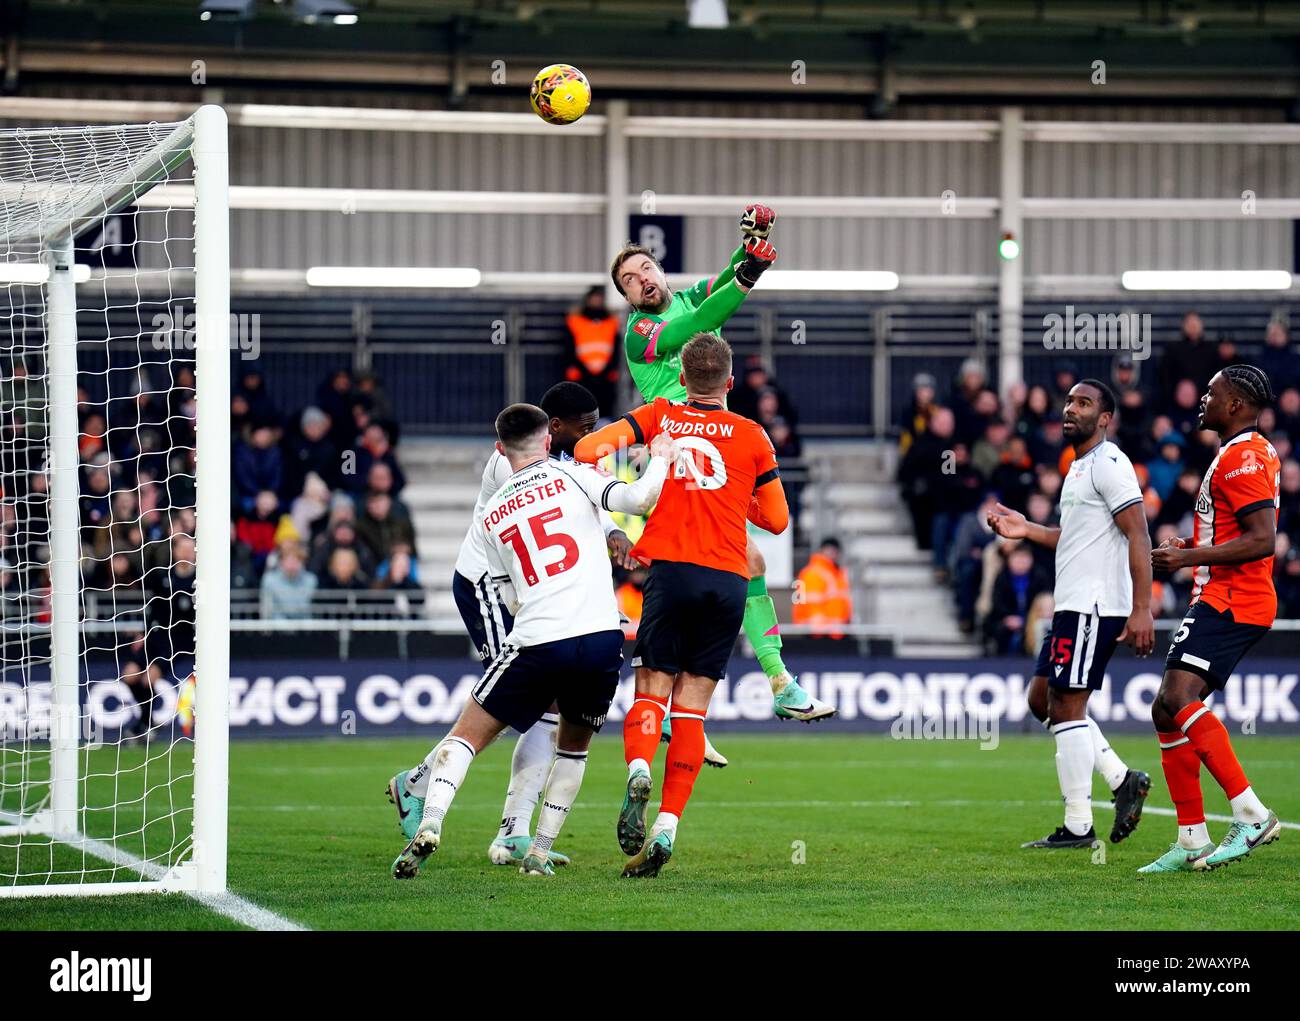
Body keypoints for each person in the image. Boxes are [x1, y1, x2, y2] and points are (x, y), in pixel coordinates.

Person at [390, 402, 676, 880]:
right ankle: (536, 850)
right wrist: (662, 455)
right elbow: (640, 500)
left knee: (473, 730)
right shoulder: (574, 475)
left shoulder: (493, 511)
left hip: (541, 630)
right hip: (601, 634)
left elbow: (510, 593)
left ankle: (435, 815)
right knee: (570, 742)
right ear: (550, 438)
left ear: (501, 448)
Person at [574, 333, 791, 878]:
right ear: (730, 382)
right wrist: (734, 496)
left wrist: (638, 471)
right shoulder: (753, 434)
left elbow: (584, 451)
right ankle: (667, 826)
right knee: (692, 707)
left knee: (652, 689)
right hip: (728, 580)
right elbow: (777, 520)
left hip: (672, 572)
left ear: (685, 377)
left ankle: (640, 767)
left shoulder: (660, 414)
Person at [608, 204, 834, 725]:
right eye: (628, 280)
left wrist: (753, 239)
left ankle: (677, 709)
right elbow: (705, 319)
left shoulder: (688, 293)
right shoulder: (639, 335)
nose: (640, 280)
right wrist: (750, 277)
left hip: (713, 458)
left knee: (725, 569)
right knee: (726, 568)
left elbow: (726, 275)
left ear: (661, 272)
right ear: (626, 298)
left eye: (645, 269)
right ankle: (765, 686)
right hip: (679, 459)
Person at [989, 379, 1154, 849]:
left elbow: (1138, 533)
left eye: (1084, 403)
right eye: (1069, 401)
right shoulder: (1079, 467)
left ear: (1105, 418)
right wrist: (1027, 529)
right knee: (1042, 701)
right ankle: (1122, 779)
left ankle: (1079, 825)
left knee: (1067, 706)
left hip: (1093, 604)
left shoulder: (1110, 463)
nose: (1071, 409)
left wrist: (1141, 608)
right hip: (1072, 605)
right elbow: (1077, 537)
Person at [1139, 365, 1282, 874]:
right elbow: (1235, 529)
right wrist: (1191, 551)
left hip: (1233, 598)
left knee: (1178, 698)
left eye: (1212, 394)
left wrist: (1188, 556)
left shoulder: (1243, 455)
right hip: (1220, 593)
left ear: (1237, 405)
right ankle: (1192, 838)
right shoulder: (1240, 451)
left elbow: (1263, 538)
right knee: (1165, 709)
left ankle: (1250, 812)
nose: (1203, 400)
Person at [564, 286, 620, 418]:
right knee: (580, 410)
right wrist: (584, 370)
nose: (596, 302)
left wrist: (608, 370)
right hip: (581, 375)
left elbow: (616, 350)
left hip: (605, 376)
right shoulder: (575, 321)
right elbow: (569, 350)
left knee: (605, 412)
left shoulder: (612, 323)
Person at [792, 538, 852, 637]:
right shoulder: (813, 573)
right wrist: (818, 630)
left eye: (834, 551)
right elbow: (812, 604)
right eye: (829, 550)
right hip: (818, 633)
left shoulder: (837, 573)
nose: (832, 554)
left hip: (834, 631)